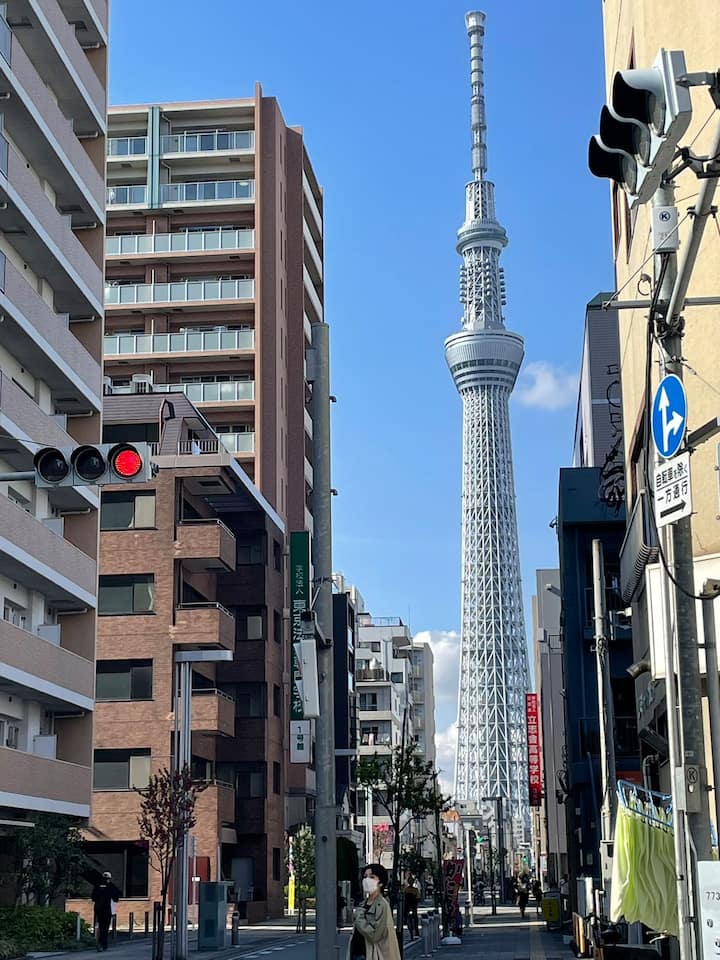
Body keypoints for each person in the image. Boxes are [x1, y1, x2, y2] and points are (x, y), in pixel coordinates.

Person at [348, 864, 400, 960]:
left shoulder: (382, 905)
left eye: (372, 877)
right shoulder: (363, 903)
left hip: (371, 954)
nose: (367, 880)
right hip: (357, 953)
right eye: (365, 877)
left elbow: (375, 935)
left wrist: (359, 917)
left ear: (380, 882)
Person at [91, 871, 120, 951]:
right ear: (109, 879)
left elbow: (93, 897)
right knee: (105, 927)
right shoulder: (110, 886)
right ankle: (103, 943)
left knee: (99, 925)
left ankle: (99, 942)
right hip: (106, 909)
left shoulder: (97, 886)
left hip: (97, 909)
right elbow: (116, 899)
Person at [403, 873, 420, 940]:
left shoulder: (415, 890)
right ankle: (405, 920)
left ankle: (416, 930)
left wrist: (416, 901)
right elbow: (403, 898)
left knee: (415, 917)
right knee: (406, 915)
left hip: (413, 905)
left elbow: (418, 898)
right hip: (407, 905)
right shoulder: (406, 889)